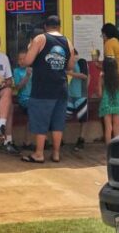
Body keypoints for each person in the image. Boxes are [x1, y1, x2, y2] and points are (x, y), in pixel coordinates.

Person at [20, 15, 74, 164]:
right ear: (59, 27)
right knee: (58, 122)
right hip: (61, 87)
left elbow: (27, 61)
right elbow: (70, 66)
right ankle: (56, 153)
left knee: (41, 121)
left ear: (45, 26)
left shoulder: (40, 39)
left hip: (43, 87)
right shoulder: (67, 41)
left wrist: (30, 48)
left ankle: (39, 153)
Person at [66, 48, 89, 152]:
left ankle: (81, 139)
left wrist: (70, 73)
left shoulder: (81, 61)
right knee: (65, 115)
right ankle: (60, 139)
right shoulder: (68, 63)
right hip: (70, 94)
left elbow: (84, 76)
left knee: (83, 118)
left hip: (81, 95)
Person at [98, 57, 119, 144]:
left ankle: (108, 148)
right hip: (117, 103)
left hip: (106, 104)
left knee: (108, 128)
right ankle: (116, 148)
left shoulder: (102, 78)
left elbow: (100, 94)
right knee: (116, 128)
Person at [11, 46, 34, 149]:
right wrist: (27, 76)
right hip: (24, 99)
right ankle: (27, 141)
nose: (22, 61)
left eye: (24, 59)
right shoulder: (16, 71)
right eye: (20, 59)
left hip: (34, 98)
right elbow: (18, 87)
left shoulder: (34, 70)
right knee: (35, 109)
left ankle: (42, 139)